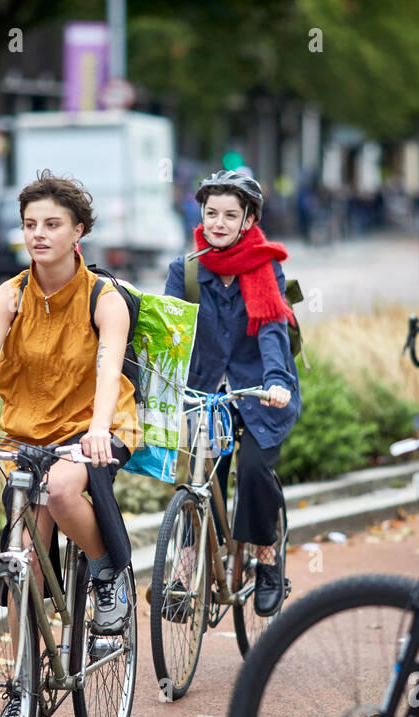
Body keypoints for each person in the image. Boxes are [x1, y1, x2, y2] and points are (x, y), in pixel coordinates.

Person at [0, 171, 139, 674]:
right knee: (24, 558)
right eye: (29, 224)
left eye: (52, 224)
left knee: (62, 490)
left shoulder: (103, 299)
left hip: (97, 427)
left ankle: (110, 572)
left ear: (78, 232)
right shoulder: (8, 296)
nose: (38, 234)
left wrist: (99, 429)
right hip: (27, 433)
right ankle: (23, 683)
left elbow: (109, 369)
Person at [164, 169, 300, 617]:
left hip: (260, 389)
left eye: (230, 215)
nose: (218, 222)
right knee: (202, 478)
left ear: (248, 220)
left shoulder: (265, 268)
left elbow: (272, 331)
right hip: (204, 392)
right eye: (211, 213)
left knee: (256, 471)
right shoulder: (184, 272)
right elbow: (170, 335)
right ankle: (185, 578)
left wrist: (278, 381)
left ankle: (266, 562)